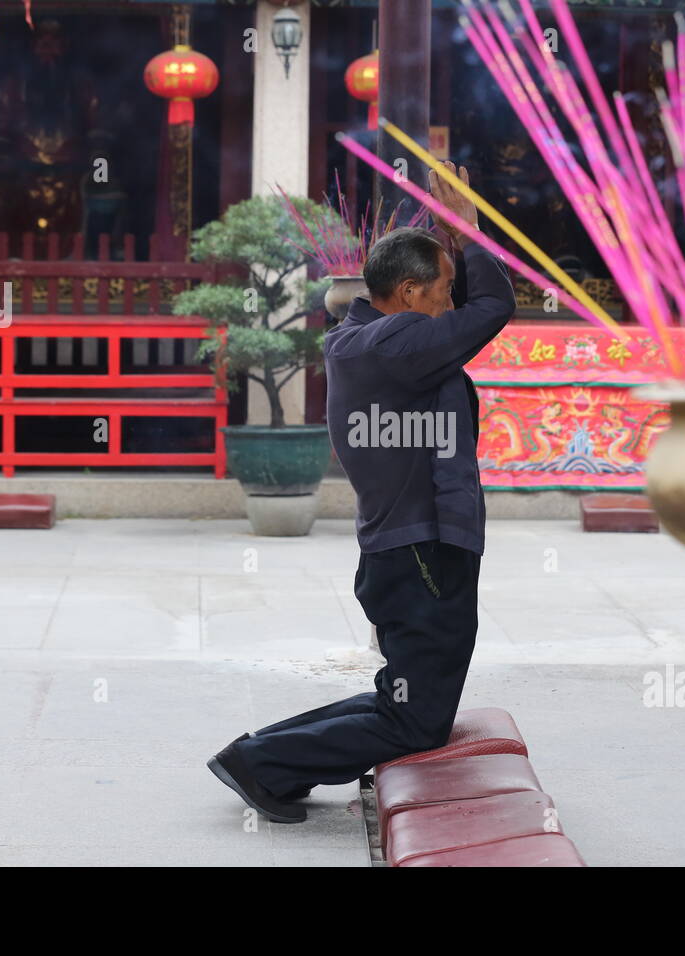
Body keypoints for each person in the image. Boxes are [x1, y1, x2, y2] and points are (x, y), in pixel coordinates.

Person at [208, 161, 517, 822]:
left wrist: (451, 238)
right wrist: (467, 226)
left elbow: (468, 310)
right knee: (413, 721)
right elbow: (495, 308)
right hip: (422, 555)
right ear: (409, 293)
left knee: (404, 700)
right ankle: (263, 764)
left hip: (405, 553)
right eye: (442, 290)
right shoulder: (400, 343)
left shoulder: (366, 337)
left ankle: (262, 758)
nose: (450, 304)